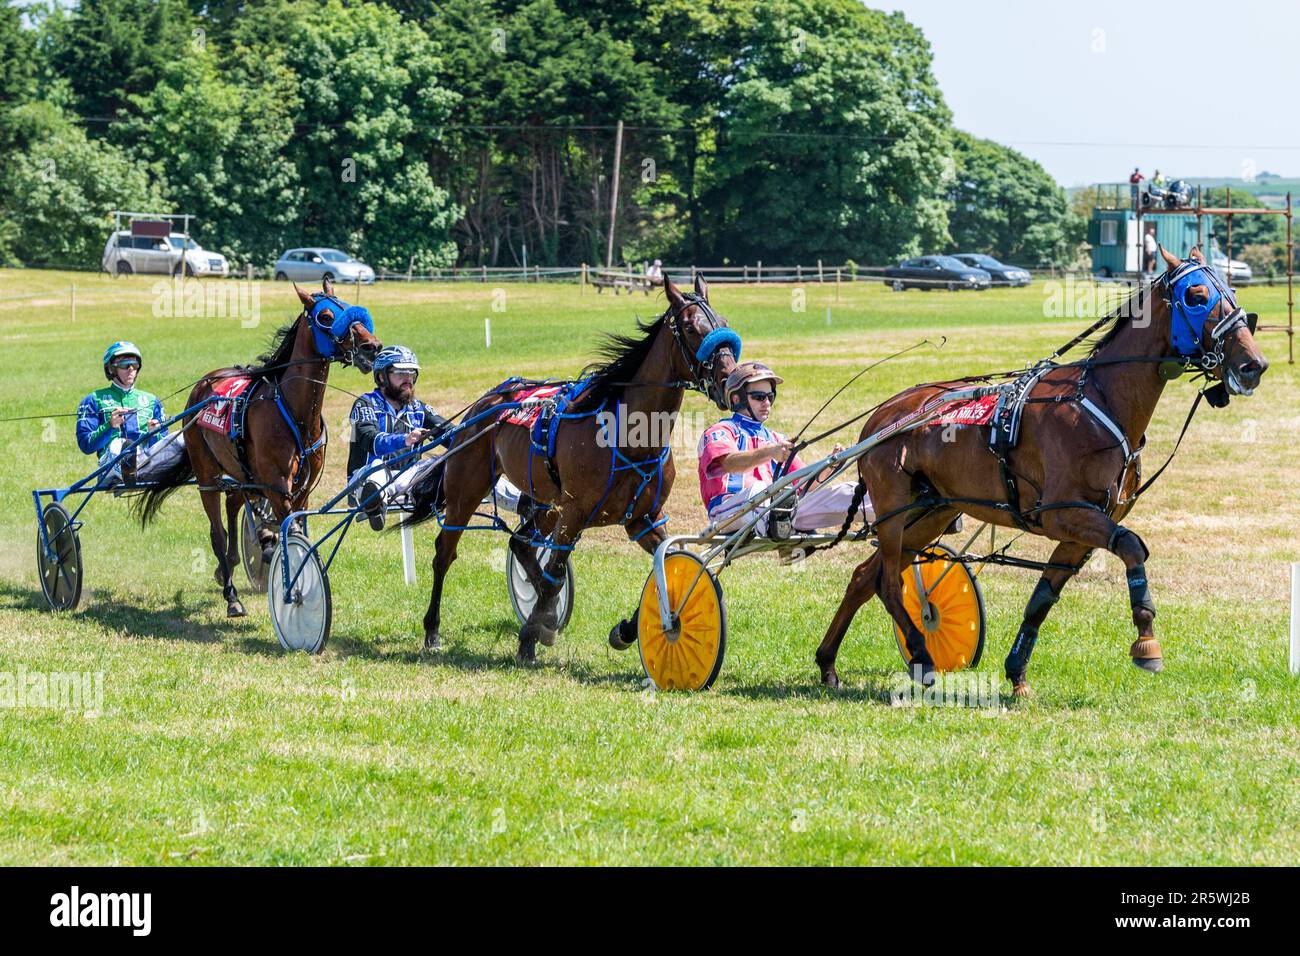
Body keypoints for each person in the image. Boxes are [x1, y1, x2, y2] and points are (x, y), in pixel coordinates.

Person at [346, 345, 526, 530]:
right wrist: (405, 439)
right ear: (382, 376)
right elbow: (370, 440)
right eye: (400, 373)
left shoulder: (418, 408)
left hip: (409, 478)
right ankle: (374, 502)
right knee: (376, 469)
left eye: (411, 373)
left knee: (471, 468)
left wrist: (483, 437)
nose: (408, 379)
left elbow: (453, 436)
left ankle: (524, 503)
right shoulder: (365, 404)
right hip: (365, 477)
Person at [696, 361, 873, 541]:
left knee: (852, 492)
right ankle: (783, 526)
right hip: (729, 511)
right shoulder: (720, 431)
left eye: (770, 397)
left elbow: (805, 484)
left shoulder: (775, 439)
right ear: (736, 398)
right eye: (758, 397)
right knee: (761, 490)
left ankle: (894, 518)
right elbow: (729, 463)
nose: (766, 403)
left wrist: (830, 465)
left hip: (778, 510)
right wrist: (770, 452)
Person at [76, 341, 185, 485]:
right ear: (111, 369)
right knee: (120, 444)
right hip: (109, 465)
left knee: (183, 438)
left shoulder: (152, 400)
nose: (131, 369)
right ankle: (130, 470)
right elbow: (86, 445)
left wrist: (153, 433)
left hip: (147, 461)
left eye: (134, 365)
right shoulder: (93, 400)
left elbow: (160, 444)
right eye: (124, 365)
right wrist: (109, 426)